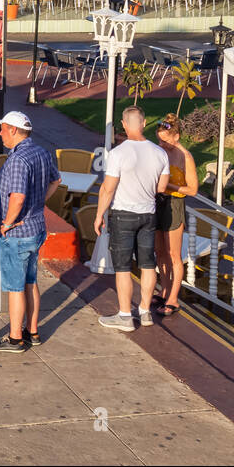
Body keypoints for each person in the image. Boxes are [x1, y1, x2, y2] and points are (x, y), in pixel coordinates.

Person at [0, 111, 60, 353]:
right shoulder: (41, 152)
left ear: (14, 131)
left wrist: (7, 223)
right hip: (36, 228)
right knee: (30, 281)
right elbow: (56, 181)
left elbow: (17, 198)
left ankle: (16, 337)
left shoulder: (17, 160)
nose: (0, 133)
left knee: (15, 287)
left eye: (3, 128)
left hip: (17, 234)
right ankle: (33, 331)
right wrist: (39, 204)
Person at [95, 107, 170, 331]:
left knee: (123, 267)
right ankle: (145, 311)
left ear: (124, 125)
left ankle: (125, 315)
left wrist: (99, 214)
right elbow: (162, 187)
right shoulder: (160, 153)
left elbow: (108, 189)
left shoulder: (118, 153)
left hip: (123, 214)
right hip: (148, 213)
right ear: (144, 123)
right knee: (148, 264)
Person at [154, 114, 198, 316]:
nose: (162, 144)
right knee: (160, 252)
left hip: (174, 202)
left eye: (166, 140)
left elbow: (192, 190)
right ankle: (164, 290)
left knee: (173, 254)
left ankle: (174, 298)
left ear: (177, 136)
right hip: (158, 202)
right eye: (159, 140)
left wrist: (166, 185)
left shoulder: (185, 157)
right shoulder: (160, 152)